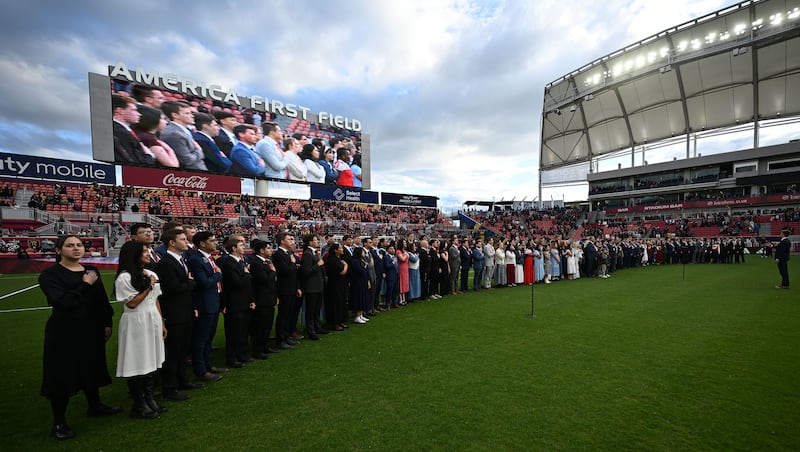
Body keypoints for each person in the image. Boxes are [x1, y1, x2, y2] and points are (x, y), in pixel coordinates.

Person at [39, 235, 121, 440]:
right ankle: (59, 423)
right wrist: (84, 285)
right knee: (63, 374)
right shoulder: (51, 274)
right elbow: (60, 302)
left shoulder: (91, 271)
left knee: (91, 366)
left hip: (91, 328)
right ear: (58, 250)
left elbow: (102, 300)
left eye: (79, 245)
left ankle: (95, 406)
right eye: (69, 245)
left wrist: (107, 322)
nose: (76, 248)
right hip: (65, 331)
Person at [114, 241, 166, 420]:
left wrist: (162, 322)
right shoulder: (125, 277)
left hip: (152, 318)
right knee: (138, 359)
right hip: (136, 320)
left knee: (151, 358)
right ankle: (139, 404)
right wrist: (149, 285)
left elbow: (155, 299)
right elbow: (132, 303)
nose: (148, 253)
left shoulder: (151, 273)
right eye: (144, 251)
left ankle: (149, 399)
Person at [156, 228, 202, 401]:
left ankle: (182, 380)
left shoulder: (181, 259)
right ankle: (170, 388)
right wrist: (189, 283)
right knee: (173, 352)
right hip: (175, 314)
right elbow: (173, 288)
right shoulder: (166, 263)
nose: (187, 242)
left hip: (185, 311)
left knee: (182, 350)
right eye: (183, 239)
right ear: (172, 243)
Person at [185, 231, 226, 380]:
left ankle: (209, 366)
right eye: (212, 240)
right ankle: (201, 370)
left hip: (213, 302)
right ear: (202, 243)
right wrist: (218, 275)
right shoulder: (196, 260)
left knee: (209, 338)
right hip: (205, 304)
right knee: (201, 339)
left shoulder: (208, 258)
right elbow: (203, 283)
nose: (215, 243)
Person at [218, 236, 255, 367]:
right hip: (234, 303)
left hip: (244, 301)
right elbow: (237, 283)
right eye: (240, 245)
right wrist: (247, 274)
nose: (243, 247)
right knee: (234, 332)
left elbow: (247, 285)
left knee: (243, 330)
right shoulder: (228, 263)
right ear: (233, 248)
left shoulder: (240, 261)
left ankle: (241, 354)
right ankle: (232, 358)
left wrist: (251, 299)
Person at [249, 239, 280, 356]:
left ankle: (265, 346)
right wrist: (273, 271)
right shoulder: (256, 263)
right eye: (268, 248)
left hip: (269, 298)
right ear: (261, 250)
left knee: (267, 325)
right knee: (260, 326)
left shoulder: (267, 261)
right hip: (261, 299)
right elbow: (264, 280)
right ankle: (258, 350)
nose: (270, 250)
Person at [273, 232, 303, 348]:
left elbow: (294, 274)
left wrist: (297, 287)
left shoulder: (288, 254)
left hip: (291, 289)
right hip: (284, 289)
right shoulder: (278, 255)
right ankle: (280, 339)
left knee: (289, 314)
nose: (292, 241)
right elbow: (285, 271)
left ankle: (286, 336)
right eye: (289, 239)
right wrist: (292, 263)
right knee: (283, 315)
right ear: (282, 241)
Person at [160, 101, 207, 171]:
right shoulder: (174, 133)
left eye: (191, 113)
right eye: (187, 113)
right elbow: (186, 160)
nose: (192, 116)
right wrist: (199, 151)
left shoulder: (184, 130)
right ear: (175, 115)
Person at [112, 94, 154, 165]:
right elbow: (136, 164)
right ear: (120, 111)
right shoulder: (120, 133)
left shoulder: (124, 131)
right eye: (134, 110)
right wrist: (149, 155)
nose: (139, 114)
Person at [300, 234, 326, 339]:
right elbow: (306, 271)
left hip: (318, 286)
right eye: (316, 240)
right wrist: (317, 265)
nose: (318, 242)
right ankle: (311, 331)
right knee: (310, 310)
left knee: (317, 309)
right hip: (311, 287)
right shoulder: (307, 254)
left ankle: (317, 327)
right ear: (310, 242)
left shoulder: (315, 253)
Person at [324, 243, 348, 330]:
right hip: (334, 285)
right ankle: (335, 323)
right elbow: (341, 272)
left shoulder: (339, 259)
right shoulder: (332, 260)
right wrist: (346, 266)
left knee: (341, 303)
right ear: (335, 250)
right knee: (335, 304)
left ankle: (340, 321)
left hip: (341, 284)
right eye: (340, 248)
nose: (342, 249)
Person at [349, 247, 371, 324]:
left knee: (363, 297)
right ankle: (357, 316)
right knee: (359, 298)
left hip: (363, 281)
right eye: (362, 251)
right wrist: (364, 266)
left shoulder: (361, 260)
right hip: (357, 282)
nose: (364, 253)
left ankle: (361, 314)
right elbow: (360, 270)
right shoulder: (355, 261)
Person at [396, 239, 410, 305]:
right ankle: (400, 300)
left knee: (404, 283)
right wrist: (405, 254)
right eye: (404, 242)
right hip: (401, 268)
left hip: (406, 268)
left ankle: (404, 299)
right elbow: (402, 259)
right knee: (401, 283)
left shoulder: (405, 251)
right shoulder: (398, 251)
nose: (405, 243)